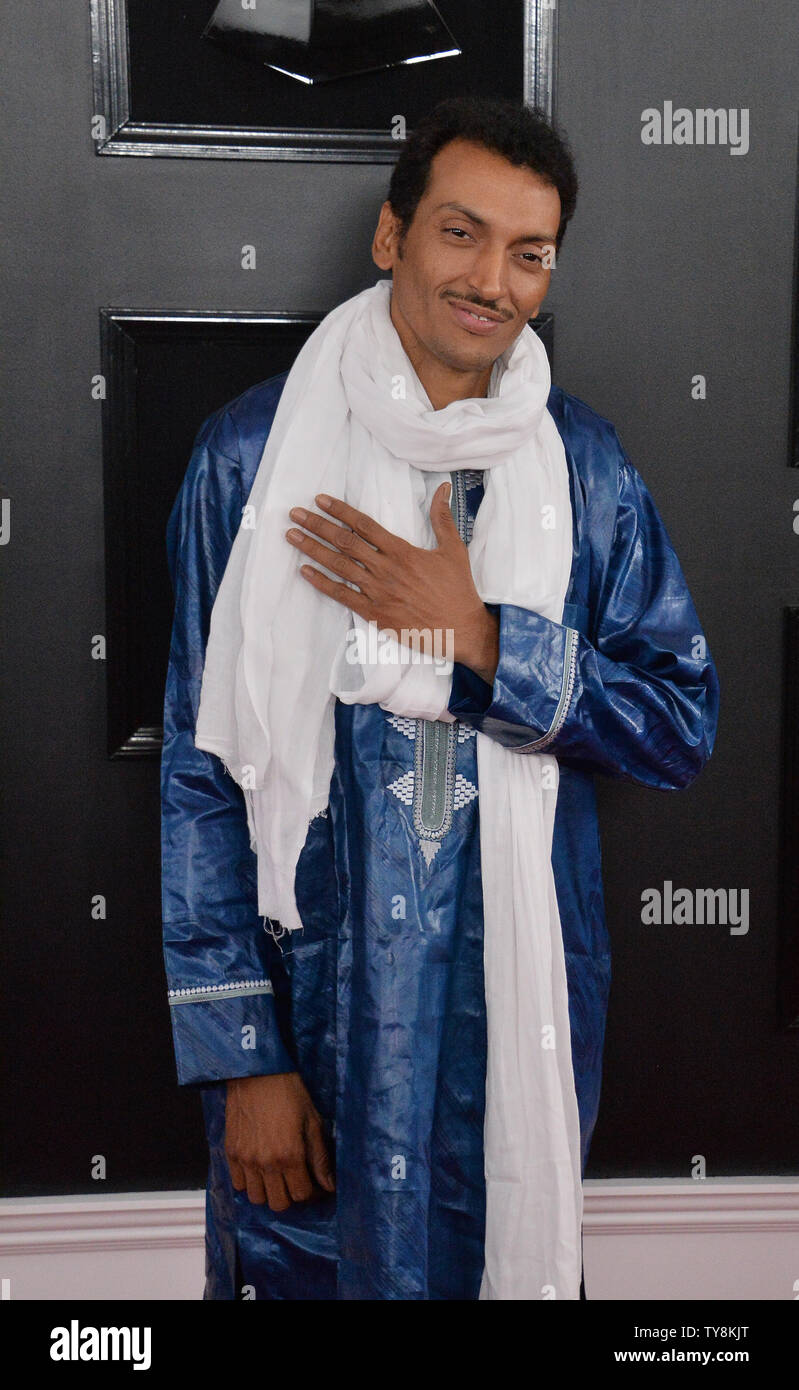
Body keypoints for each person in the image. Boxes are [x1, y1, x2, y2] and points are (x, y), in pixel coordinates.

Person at [160, 96, 720, 1301]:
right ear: (390, 237)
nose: (494, 280)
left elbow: (680, 725)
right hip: (317, 1029)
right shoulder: (252, 461)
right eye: (461, 234)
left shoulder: (586, 470)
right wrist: (243, 1056)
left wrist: (481, 637)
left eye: (529, 253)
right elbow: (204, 776)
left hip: (509, 1018)